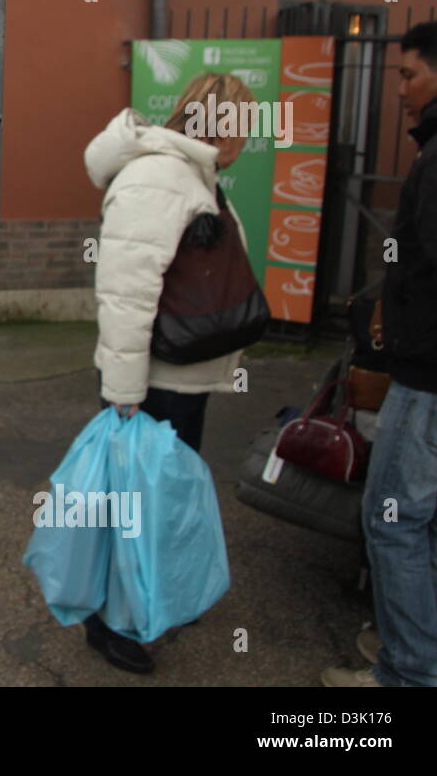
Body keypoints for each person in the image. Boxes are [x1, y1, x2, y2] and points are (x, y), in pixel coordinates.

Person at [79, 72, 256, 673]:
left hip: (181, 376)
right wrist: (124, 393)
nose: (246, 140)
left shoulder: (190, 172)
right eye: (241, 127)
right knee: (134, 505)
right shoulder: (158, 178)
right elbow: (125, 296)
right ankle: (109, 623)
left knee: (163, 499)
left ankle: (154, 595)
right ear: (218, 125)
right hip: (153, 383)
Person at [324, 20, 437, 687]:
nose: (399, 89)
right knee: (428, 521)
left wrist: (405, 332)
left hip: (430, 379)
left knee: (392, 517)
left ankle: (410, 672)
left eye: (408, 74)